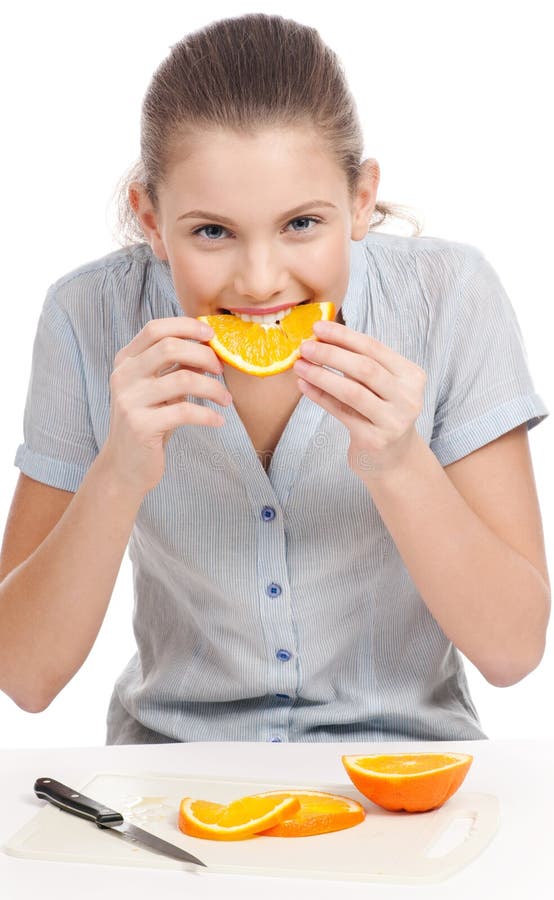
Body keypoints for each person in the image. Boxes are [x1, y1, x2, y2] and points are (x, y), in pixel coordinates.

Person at [0, 14, 550, 745]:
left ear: (360, 201)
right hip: (174, 780)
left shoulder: (450, 297)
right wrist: (118, 473)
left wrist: (399, 462)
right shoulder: (86, 316)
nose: (261, 282)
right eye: (211, 232)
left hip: (400, 779)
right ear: (150, 219)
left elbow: (514, 652)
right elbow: (26, 677)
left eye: (300, 224)